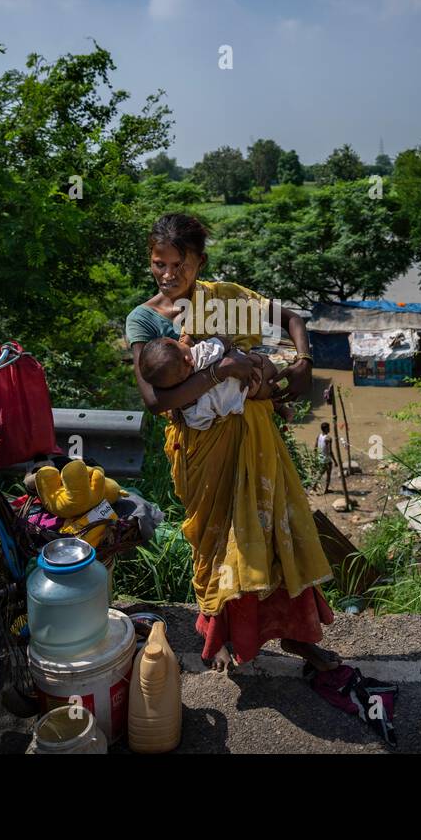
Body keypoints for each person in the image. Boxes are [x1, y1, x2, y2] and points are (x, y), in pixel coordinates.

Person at [126, 212, 340, 673]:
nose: (167, 275)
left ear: (199, 262)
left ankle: (298, 636)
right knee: (220, 543)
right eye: (158, 265)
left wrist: (302, 360)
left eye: (178, 266)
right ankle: (220, 636)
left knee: (272, 530)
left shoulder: (224, 301)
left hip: (258, 436)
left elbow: (290, 318)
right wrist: (218, 372)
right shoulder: (145, 321)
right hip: (203, 453)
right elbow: (154, 400)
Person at [138, 334, 284, 430]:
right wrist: (199, 343)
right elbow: (224, 341)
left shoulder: (187, 401)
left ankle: (279, 406)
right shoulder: (201, 353)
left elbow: (203, 423)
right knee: (276, 388)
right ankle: (280, 405)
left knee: (271, 395)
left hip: (252, 392)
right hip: (259, 366)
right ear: (188, 359)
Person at [315, 422, 334, 494]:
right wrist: (335, 461)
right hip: (326, 459)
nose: (329, 429)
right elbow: (330, 451)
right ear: (326, 429)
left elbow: (315, 448)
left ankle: (314, 486)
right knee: (328, 474)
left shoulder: (318, 436)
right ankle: (326, 489)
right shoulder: (328, 438)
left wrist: (315, 458)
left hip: (320, 457)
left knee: (321, 473)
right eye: (329, 428)